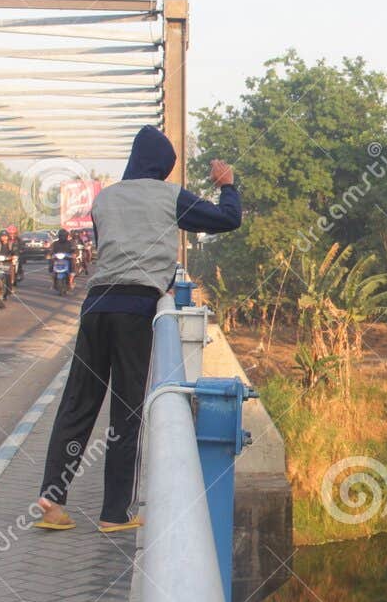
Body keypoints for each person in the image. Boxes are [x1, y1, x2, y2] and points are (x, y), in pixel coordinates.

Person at [35, 126, 239, 532]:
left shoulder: (105, 199)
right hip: (136, 309)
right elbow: (226, 220)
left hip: (95, 308)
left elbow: (110, 244)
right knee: (126, 412)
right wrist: (227, 186)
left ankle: (52, 499)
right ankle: (115, 513)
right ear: (163, 165)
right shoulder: (169, 195)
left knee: (78, 403)